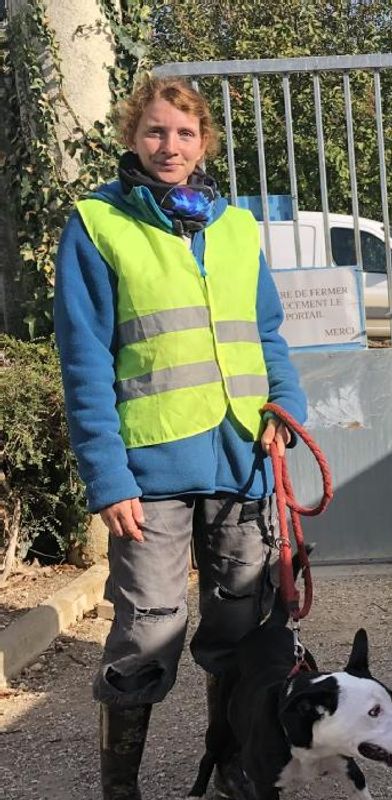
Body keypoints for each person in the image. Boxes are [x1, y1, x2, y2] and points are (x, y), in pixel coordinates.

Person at [54, 76, 306, 800]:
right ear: (133, 137)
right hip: (149, 472)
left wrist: (285, 403)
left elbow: (266, 333)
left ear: (205, 145)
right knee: (147, 629)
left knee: (242, 628)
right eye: (156, 131)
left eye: (185, 133)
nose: (170, 146)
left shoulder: (236, 228)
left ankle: (229, 762)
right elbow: (84, 360)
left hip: (242, 458)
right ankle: (121, 786)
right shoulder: (99, 223)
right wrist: (107, 477)